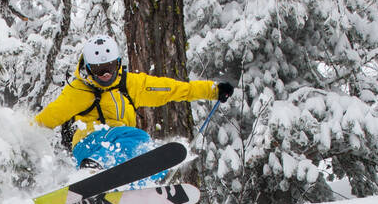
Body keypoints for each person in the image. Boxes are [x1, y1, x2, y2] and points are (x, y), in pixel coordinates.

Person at [35, 34, 234, 172]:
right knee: (136, 138)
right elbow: (49, 117)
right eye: (98, 70)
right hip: (89, 145)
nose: (105, 75)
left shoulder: (131, 85)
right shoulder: (79, 90)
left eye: (109, 67)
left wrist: (212, 91)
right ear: (88, 68)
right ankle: (93, 169)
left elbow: (172, 89)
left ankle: (128, 181)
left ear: (118, 63)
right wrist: (18, 141)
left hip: (119, 147)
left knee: (147, 153)